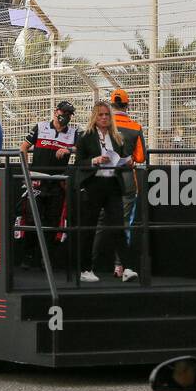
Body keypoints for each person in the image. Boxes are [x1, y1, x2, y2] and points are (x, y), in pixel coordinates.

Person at [73, 103, 137, 283]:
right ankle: (85, 269)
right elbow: (78, 163)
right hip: (93, 185)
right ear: (95, 116)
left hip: (112, 185)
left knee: (118, 226)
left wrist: (128, 163)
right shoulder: (85, 137)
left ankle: (127, 267)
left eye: (107, 115)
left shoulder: (117, 137)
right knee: (89, 228)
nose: (104, 118)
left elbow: (124, 158)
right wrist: (95, 160)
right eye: (100, 115)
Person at [18, 101, 78, 267]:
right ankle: (28, 256)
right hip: (37, 180)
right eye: (63, 112)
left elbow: (85, 149)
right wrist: (26, 170)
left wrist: (69, 150)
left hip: (57, 182)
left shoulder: (74, 133)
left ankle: (47, 259)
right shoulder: (41, 126)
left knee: (53, 220)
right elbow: (23, 147)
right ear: (56, 111)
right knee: (32, 218)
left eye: (69, 113)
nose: (66, 116)